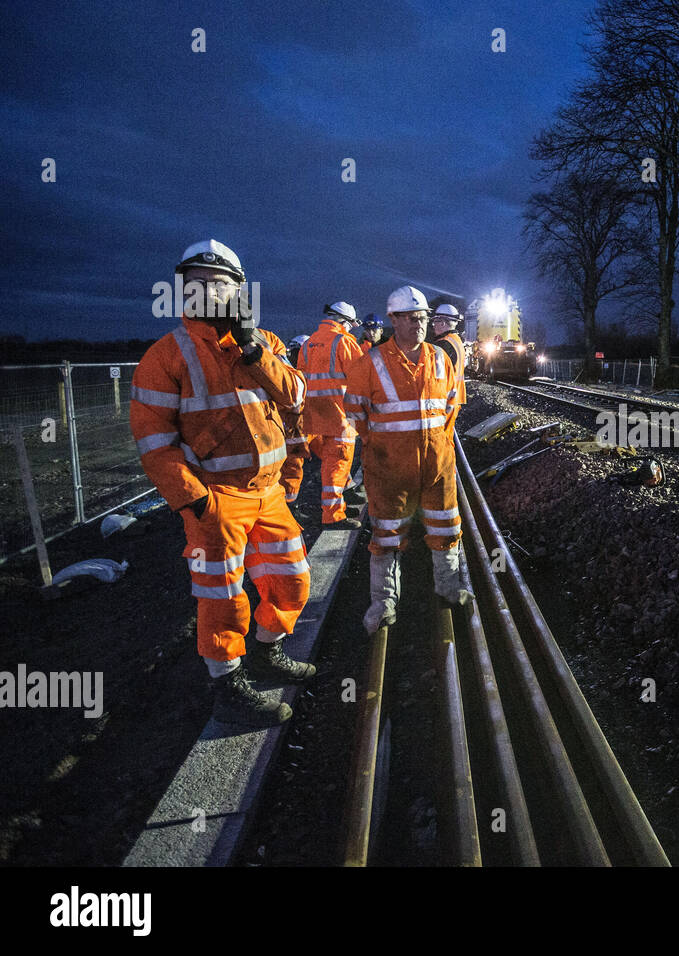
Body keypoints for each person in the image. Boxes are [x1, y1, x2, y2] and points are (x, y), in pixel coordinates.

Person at [130, 240, 313, 728]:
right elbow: (154, 442)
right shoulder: (165, 355)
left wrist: (253, 350)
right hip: (217, 499)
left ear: (239, 289)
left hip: (268, 492)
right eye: (197, 282)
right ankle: (228, 685)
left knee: (292, 579)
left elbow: (295, 395)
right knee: (221, 596)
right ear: (184, 290)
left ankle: (268, 650)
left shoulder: (266, 343)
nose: (209, 290)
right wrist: (195, 502)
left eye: (221, 282)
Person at [345, 286, 471, 635]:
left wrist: (438, 447)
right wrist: (383, 448)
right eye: (411, 319)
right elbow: (355, 412)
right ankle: (383, 602)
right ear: (393, 320)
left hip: (436, 467)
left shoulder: (440, 359)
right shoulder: (369, 363)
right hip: (388, 468)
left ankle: (447, 587)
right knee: (386, 537)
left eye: (423, 319)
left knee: (446, 528)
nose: (418, 325)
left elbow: (451, 407)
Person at [298, 302, 364, 528]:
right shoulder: (345, 342)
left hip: (312, 417)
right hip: (339, 416)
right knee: (336, 466)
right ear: (345, 322)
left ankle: (337, 505)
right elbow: (361, 380)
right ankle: (333, 516)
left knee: (328, 465)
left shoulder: (307, 345)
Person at [430, 303, 466, 427]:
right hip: (454, 399)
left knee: (441, 441)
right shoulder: (456, 340)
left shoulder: (443, 345)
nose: (433, 326)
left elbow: (433, 377)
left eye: (435, 322)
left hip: (444, 402)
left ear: (443, 323)